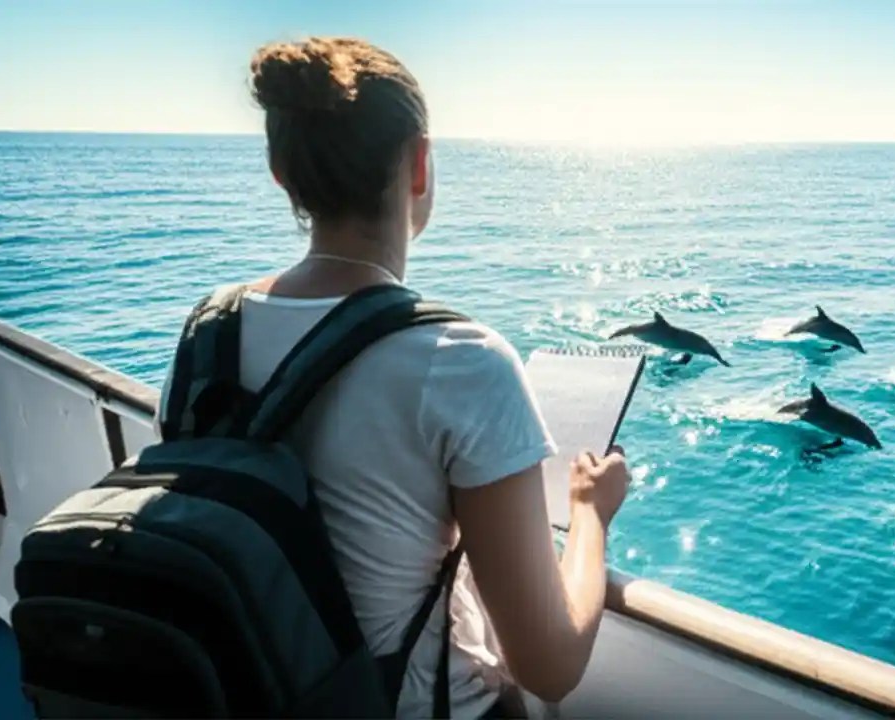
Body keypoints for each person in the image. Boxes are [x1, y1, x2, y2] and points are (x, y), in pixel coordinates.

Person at [157, 37, 630, 719]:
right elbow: (549, 666)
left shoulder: (206, 332)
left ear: (279, 170)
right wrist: (589, 515)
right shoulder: (461, 359)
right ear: (419, 163)